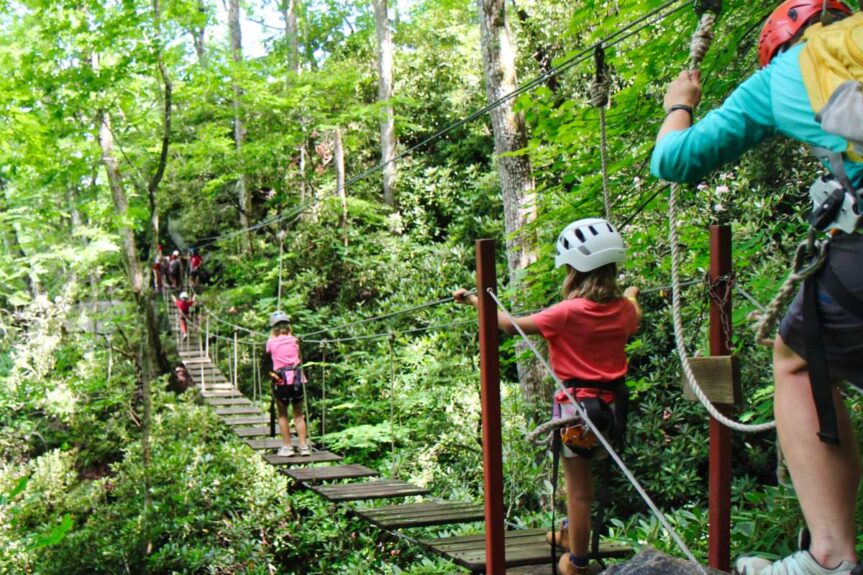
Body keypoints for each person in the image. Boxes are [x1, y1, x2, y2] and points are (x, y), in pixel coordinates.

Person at [651, 2, 862, 574]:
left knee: (796, 359)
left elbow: (672, 159)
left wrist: (679, 104)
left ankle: (830, 557)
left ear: (778, 43)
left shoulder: (783, 75)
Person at [454, 218, 641, 575]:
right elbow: (633, 311)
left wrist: (474, 299)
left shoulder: (566, 313)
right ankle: (571, 536)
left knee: (578, 491)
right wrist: (631, 294)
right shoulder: (623, 310)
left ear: (573, 271)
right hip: (611, 410)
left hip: (576, 414)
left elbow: (509, 325)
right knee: (585, 482)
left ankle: (577, 562)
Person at [261, 311, 311, 458]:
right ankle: (303, 446)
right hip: (297, 379)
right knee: (299, 414)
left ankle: (288, 447)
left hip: (281, 381)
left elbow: (268, 353)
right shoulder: (295, 340)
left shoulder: (271, 341)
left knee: (282, 414)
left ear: (273, 327)